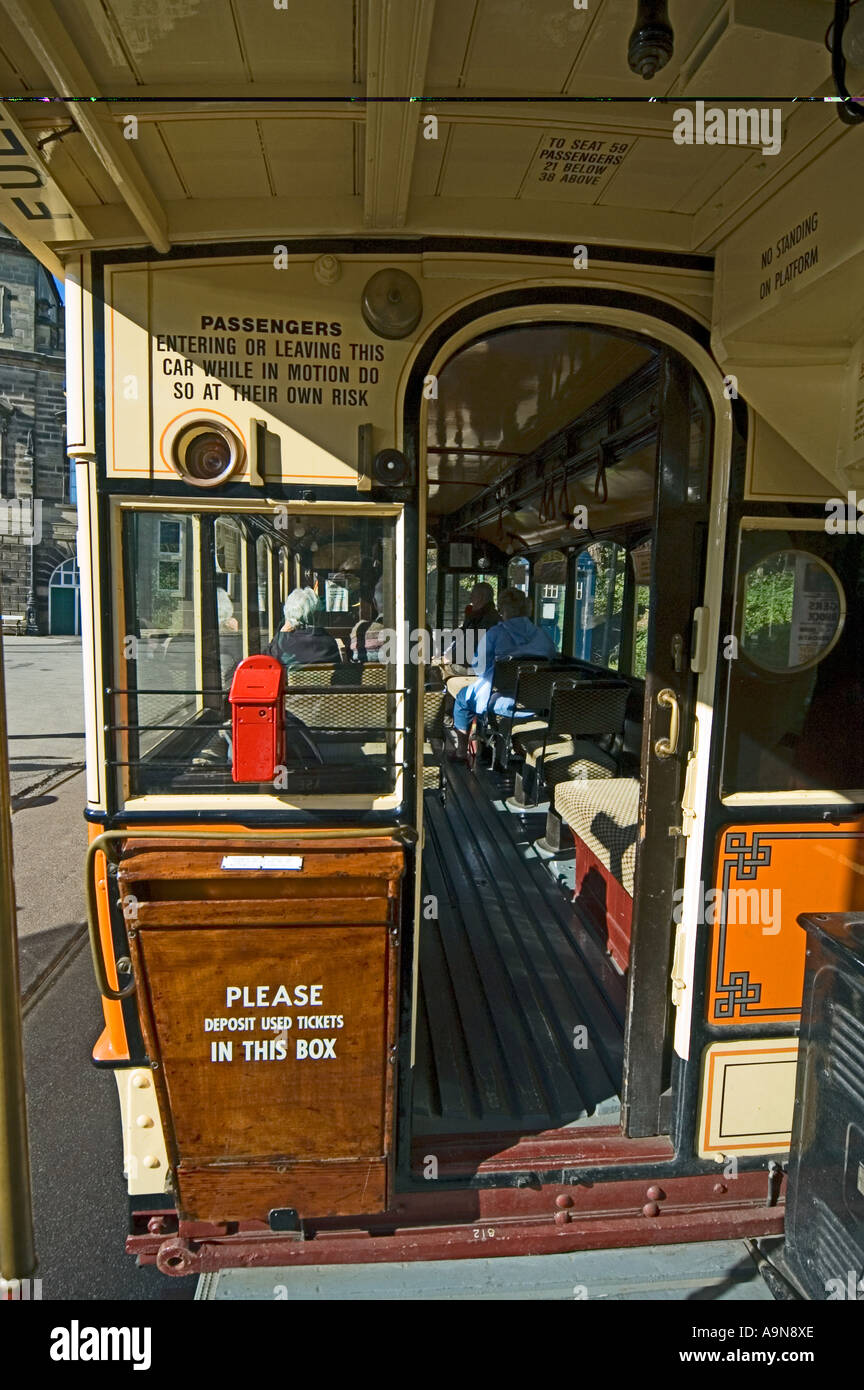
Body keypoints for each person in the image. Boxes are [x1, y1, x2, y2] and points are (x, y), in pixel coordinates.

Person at [445, 586, 556, 761]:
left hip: (502, 700)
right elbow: (551, 660)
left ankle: (461, 750)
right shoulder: (542, 636)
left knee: (462, 699)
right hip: (540, 701)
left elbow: (478, 667)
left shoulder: (495, 634)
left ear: (503, 610)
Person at [268, 587, 341, 668]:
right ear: (316, 613)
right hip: (321, 680)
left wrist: (282, 633)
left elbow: (266, 664)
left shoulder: (282, 643)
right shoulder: (328, 642)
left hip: (290, 680)